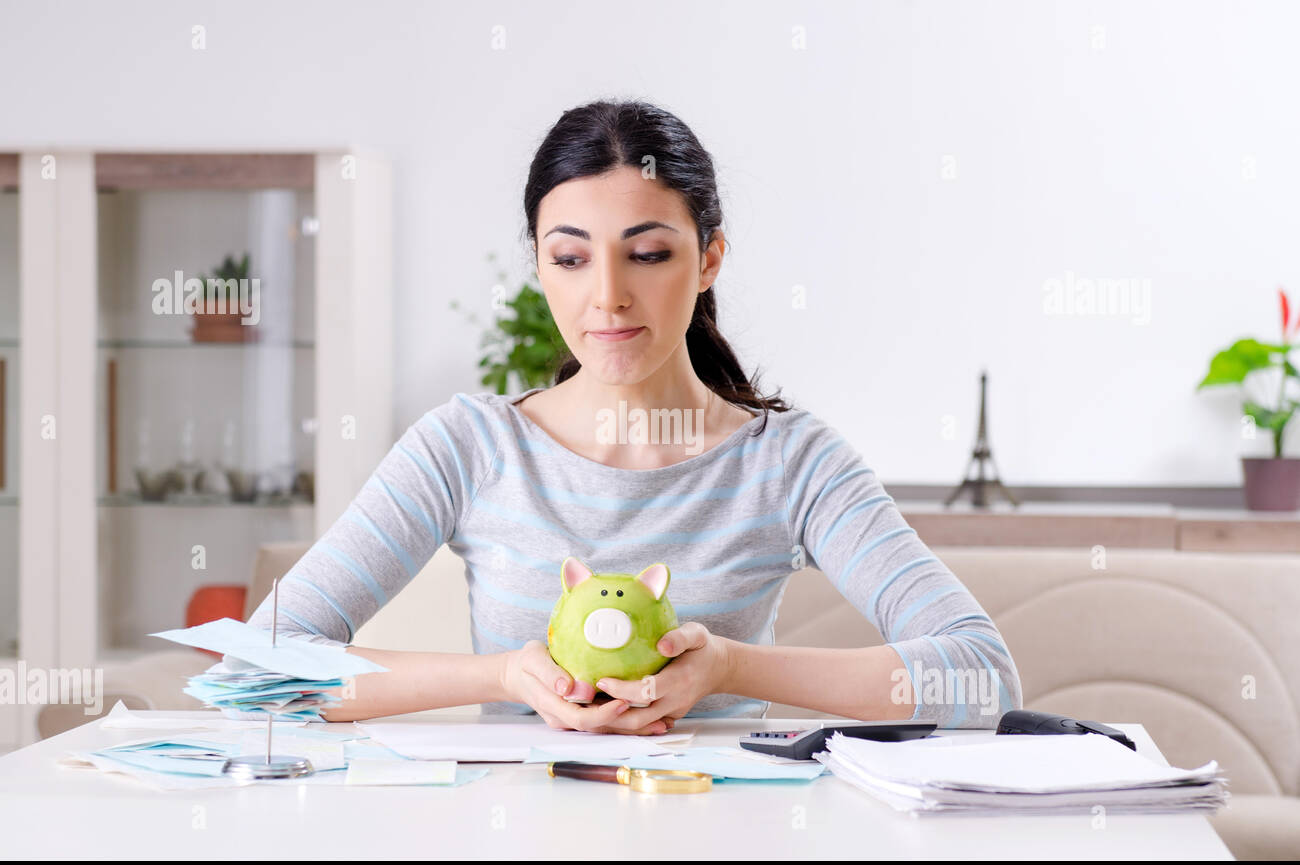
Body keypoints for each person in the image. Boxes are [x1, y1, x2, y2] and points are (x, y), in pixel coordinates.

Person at [245, 98, 1023, 735]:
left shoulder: (791, 462)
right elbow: (255, 670)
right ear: (539, 265)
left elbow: (983, 678)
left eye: (648, 254)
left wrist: (729, 666)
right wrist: (505, 676)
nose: (608, 295)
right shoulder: (468, 445)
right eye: (571, 257)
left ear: (709, 257)